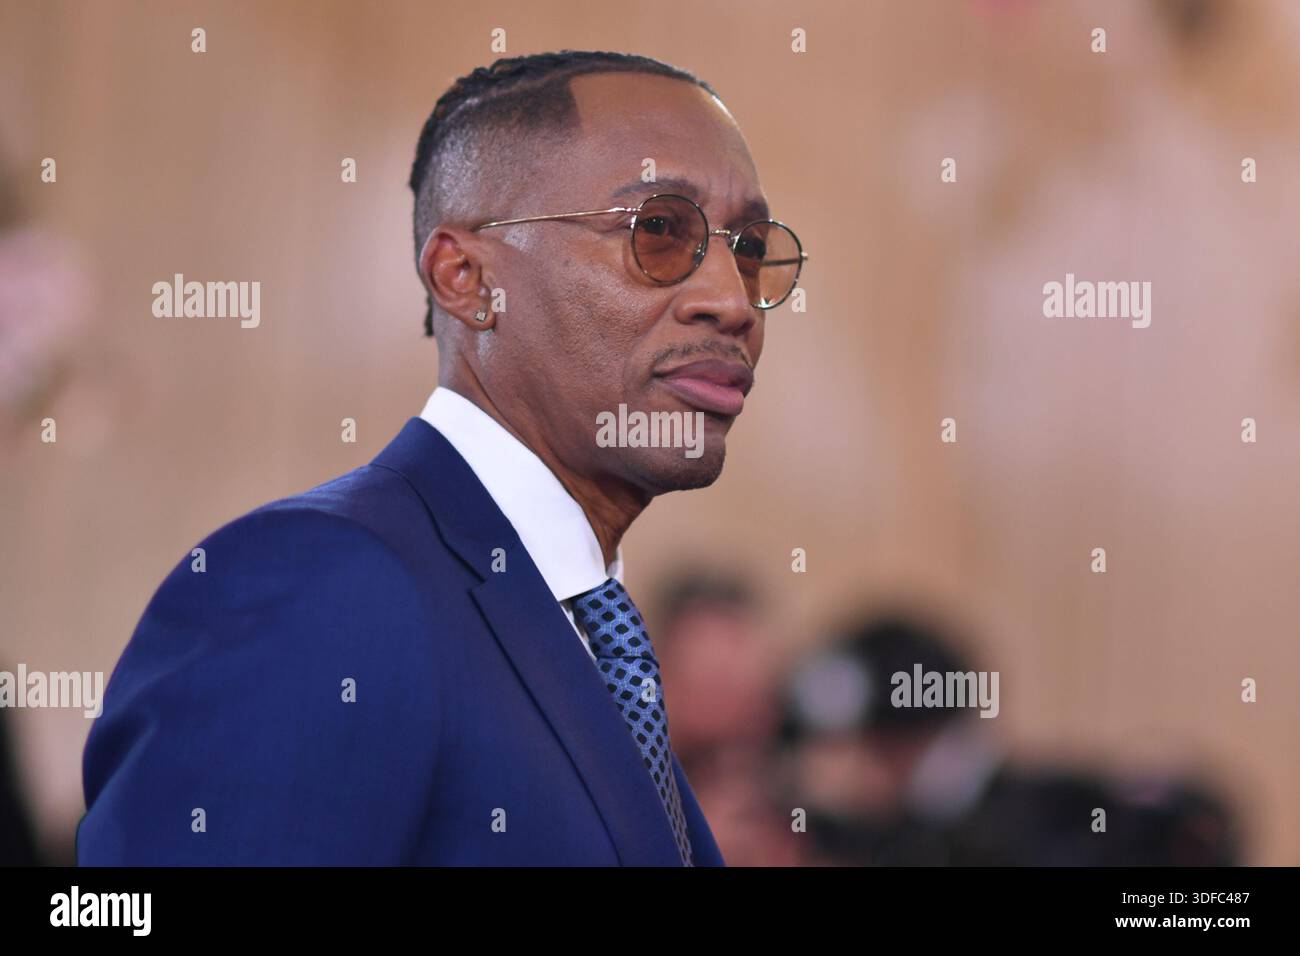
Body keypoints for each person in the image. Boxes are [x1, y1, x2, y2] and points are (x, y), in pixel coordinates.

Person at [77, 50, 808, 866]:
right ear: (464, 277)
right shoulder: (318, 587)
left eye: (748, 248)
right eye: (660, 231)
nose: (733, 302)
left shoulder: (589, 637)